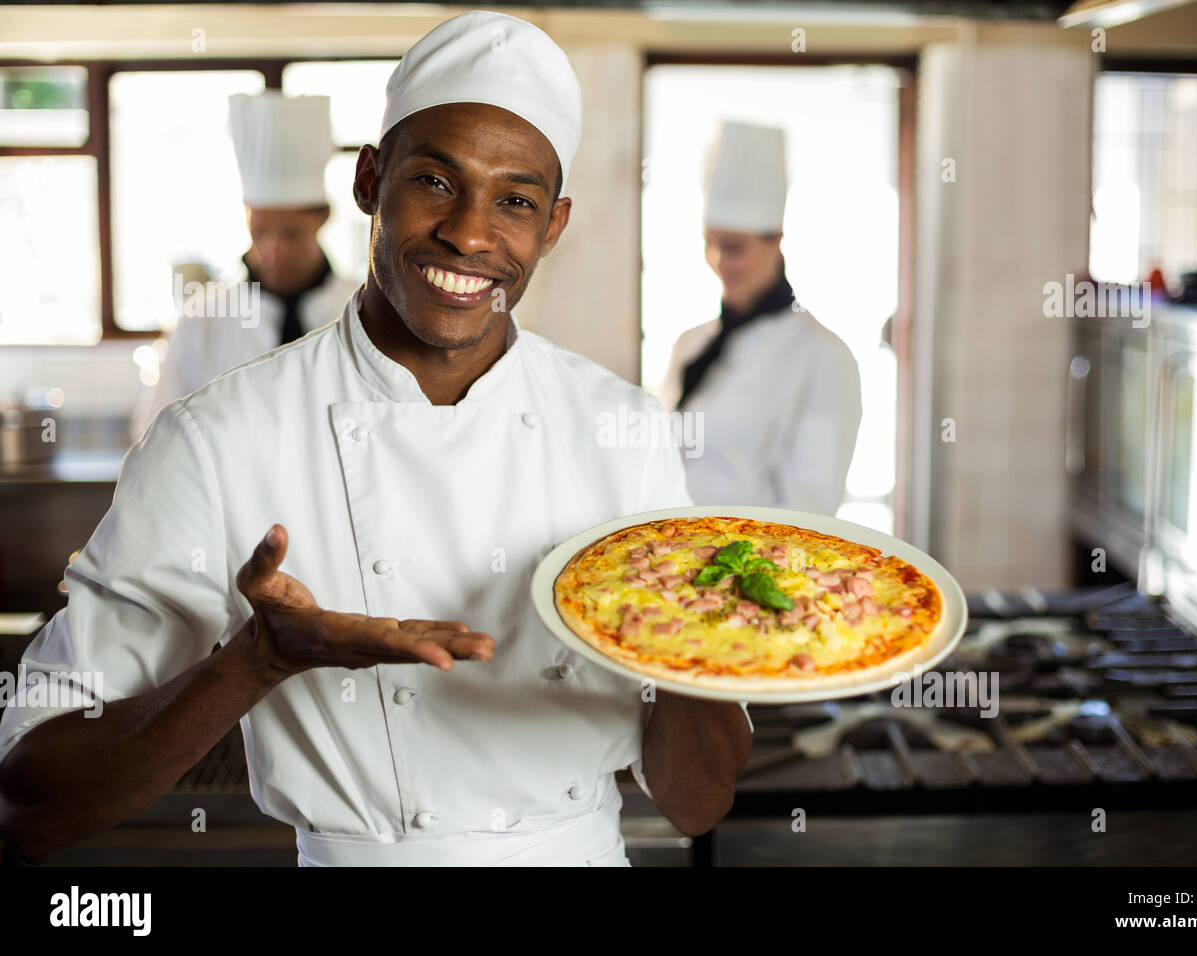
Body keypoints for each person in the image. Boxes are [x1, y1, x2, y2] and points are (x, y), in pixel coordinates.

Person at [0, 10, 752, 867]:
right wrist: (256, 662)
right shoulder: (217, 438)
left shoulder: (622, 430)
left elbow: (698, 806)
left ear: (554, 226)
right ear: (369, 180)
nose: (470, 233)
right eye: (436, 182)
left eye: (514, 200)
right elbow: (29, 801)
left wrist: (696, 636)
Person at [657, 121, 862, 516]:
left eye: (733, 248)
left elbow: (809, 511)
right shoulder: (690, 344)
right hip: (666, 555)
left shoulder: (826, 358)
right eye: (709, 243)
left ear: (777, 240)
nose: (718, 261)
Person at [131, 91, 359, 441]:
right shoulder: (201, 319)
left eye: (292, 234)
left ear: (323, 218)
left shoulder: (360, 312)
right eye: (260, 232)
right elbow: (156, 437)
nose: (273, 250)